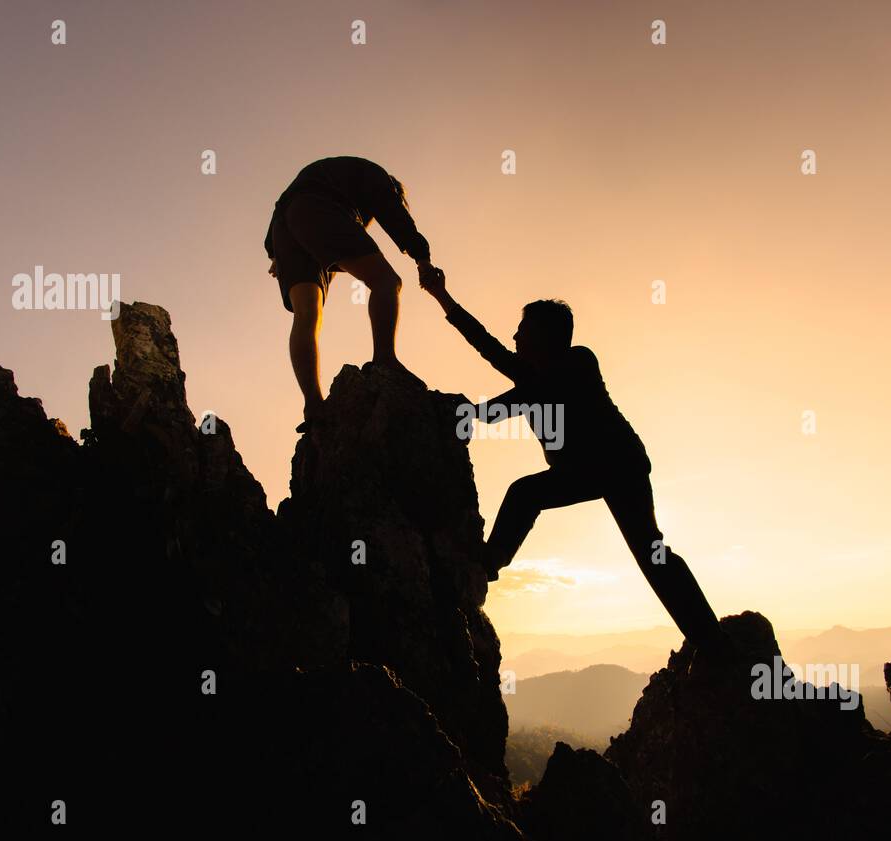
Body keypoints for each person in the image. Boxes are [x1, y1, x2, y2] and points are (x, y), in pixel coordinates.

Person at [419, 266, 723, 649]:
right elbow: (487, 345)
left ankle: (711, 641)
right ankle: (489, 561)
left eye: (522, 328)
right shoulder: (532, 372)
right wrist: (442, 298)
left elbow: (531, 394)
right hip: (585, 470)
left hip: (618, 466)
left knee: (651, 552)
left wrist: (475, 414)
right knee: (527, 495)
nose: (514, 335)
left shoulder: (578, 362)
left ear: (544, 336)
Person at [265, 156, 432, 430]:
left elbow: (281, 204)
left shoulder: (333, 173)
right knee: (387, 282)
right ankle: (385, 360)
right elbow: (394, 215)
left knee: (307, 315)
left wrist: (275, 251)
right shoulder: (376, 178)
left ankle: (314, 404)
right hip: (319, 209)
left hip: (285, 227)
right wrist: (422, 258)